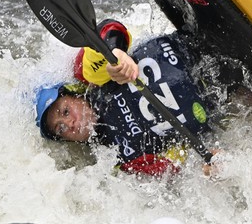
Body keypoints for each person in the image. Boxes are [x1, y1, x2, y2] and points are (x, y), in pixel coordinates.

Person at [35, 19, 216, 176]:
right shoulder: (120, 158)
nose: (70, 124)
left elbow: (107, 28)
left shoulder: (90, 76)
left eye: (65, 111)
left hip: (199, 43)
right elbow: (175, 167)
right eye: (61, 128)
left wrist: (116, 52)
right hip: (222, 99)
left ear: (73, 94)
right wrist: (208, 166)